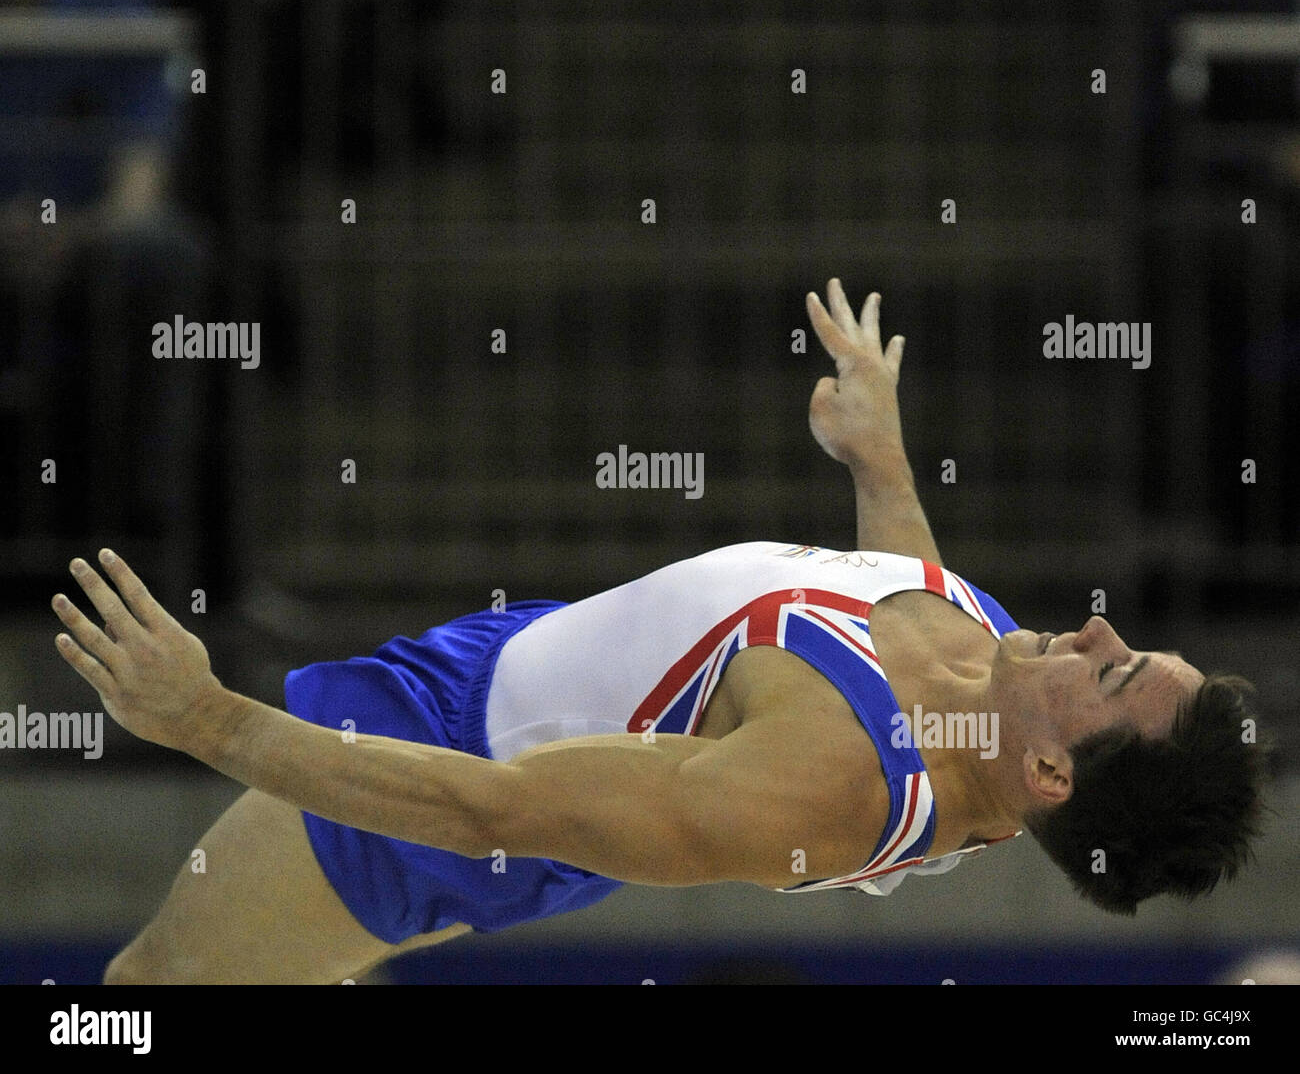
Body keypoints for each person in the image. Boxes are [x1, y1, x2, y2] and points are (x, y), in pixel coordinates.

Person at [51, 279, 1269, 984]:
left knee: (139, 999)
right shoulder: (991, 673)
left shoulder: (826, 784)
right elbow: (909, 585)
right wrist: (879, 451)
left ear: (1052, 772)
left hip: (448, 774)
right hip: (513, 669)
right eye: (1134, 644)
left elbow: (493, 812)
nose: (1100, 626)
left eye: (1113, 675)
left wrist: (204, 718)